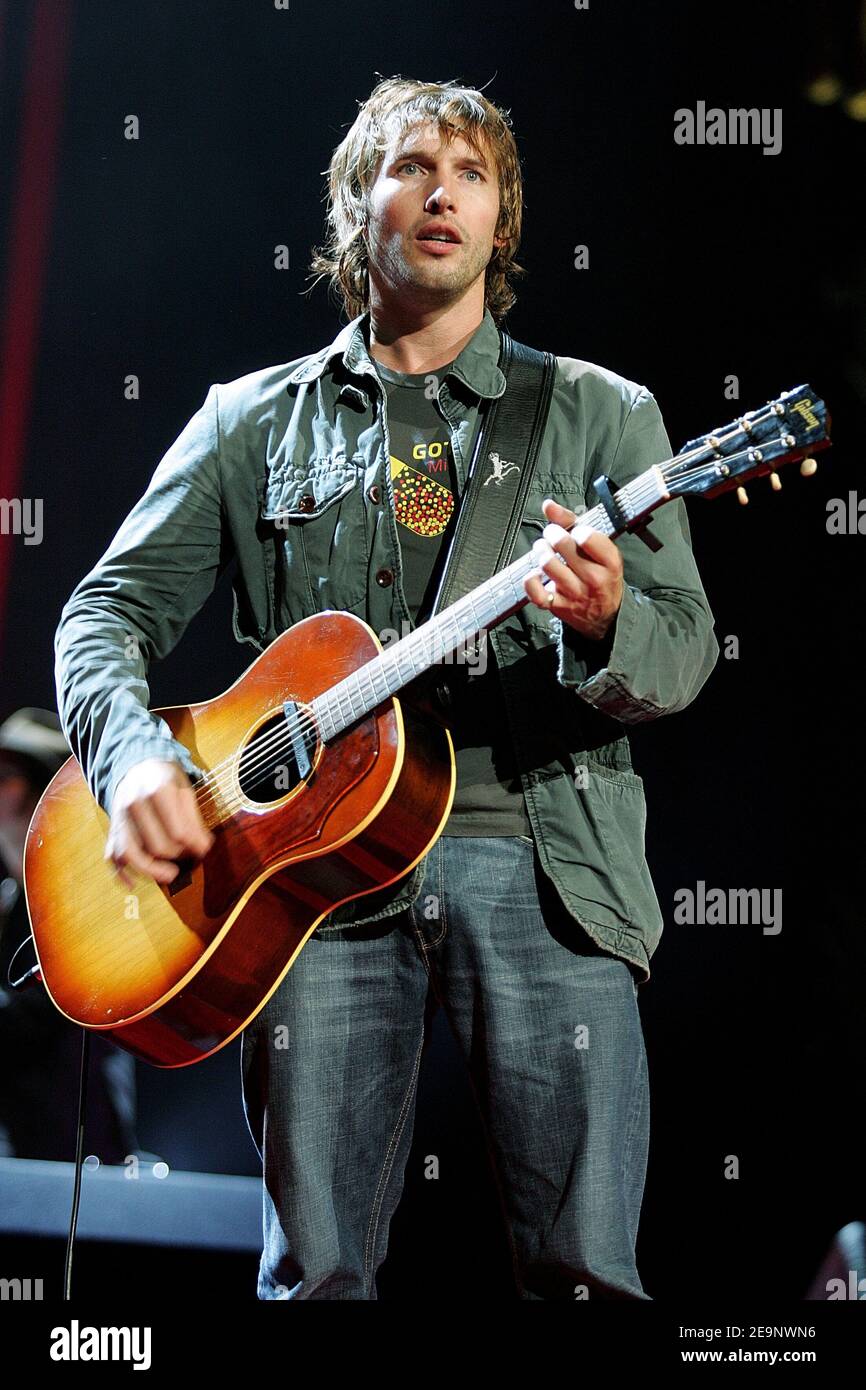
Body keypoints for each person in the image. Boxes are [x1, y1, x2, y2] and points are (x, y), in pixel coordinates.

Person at [53, 76, 719, 1299]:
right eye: (412, 166)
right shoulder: (245, 421)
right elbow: (102, 612)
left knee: (585, 1273)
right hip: (305, 882)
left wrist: (605, 615)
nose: (442, 194)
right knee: (315, 1278)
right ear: (354, 204)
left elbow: (683, 653)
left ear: (503, 224)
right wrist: (134, 757)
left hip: (545, 867)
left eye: (472, 175)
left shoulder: (600, 414)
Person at [0, 707, 138, 1162]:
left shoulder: (83, 895)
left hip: (77, 1148)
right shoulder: (10, 899)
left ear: (40, 792)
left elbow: (43, 1017)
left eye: (6, 778)